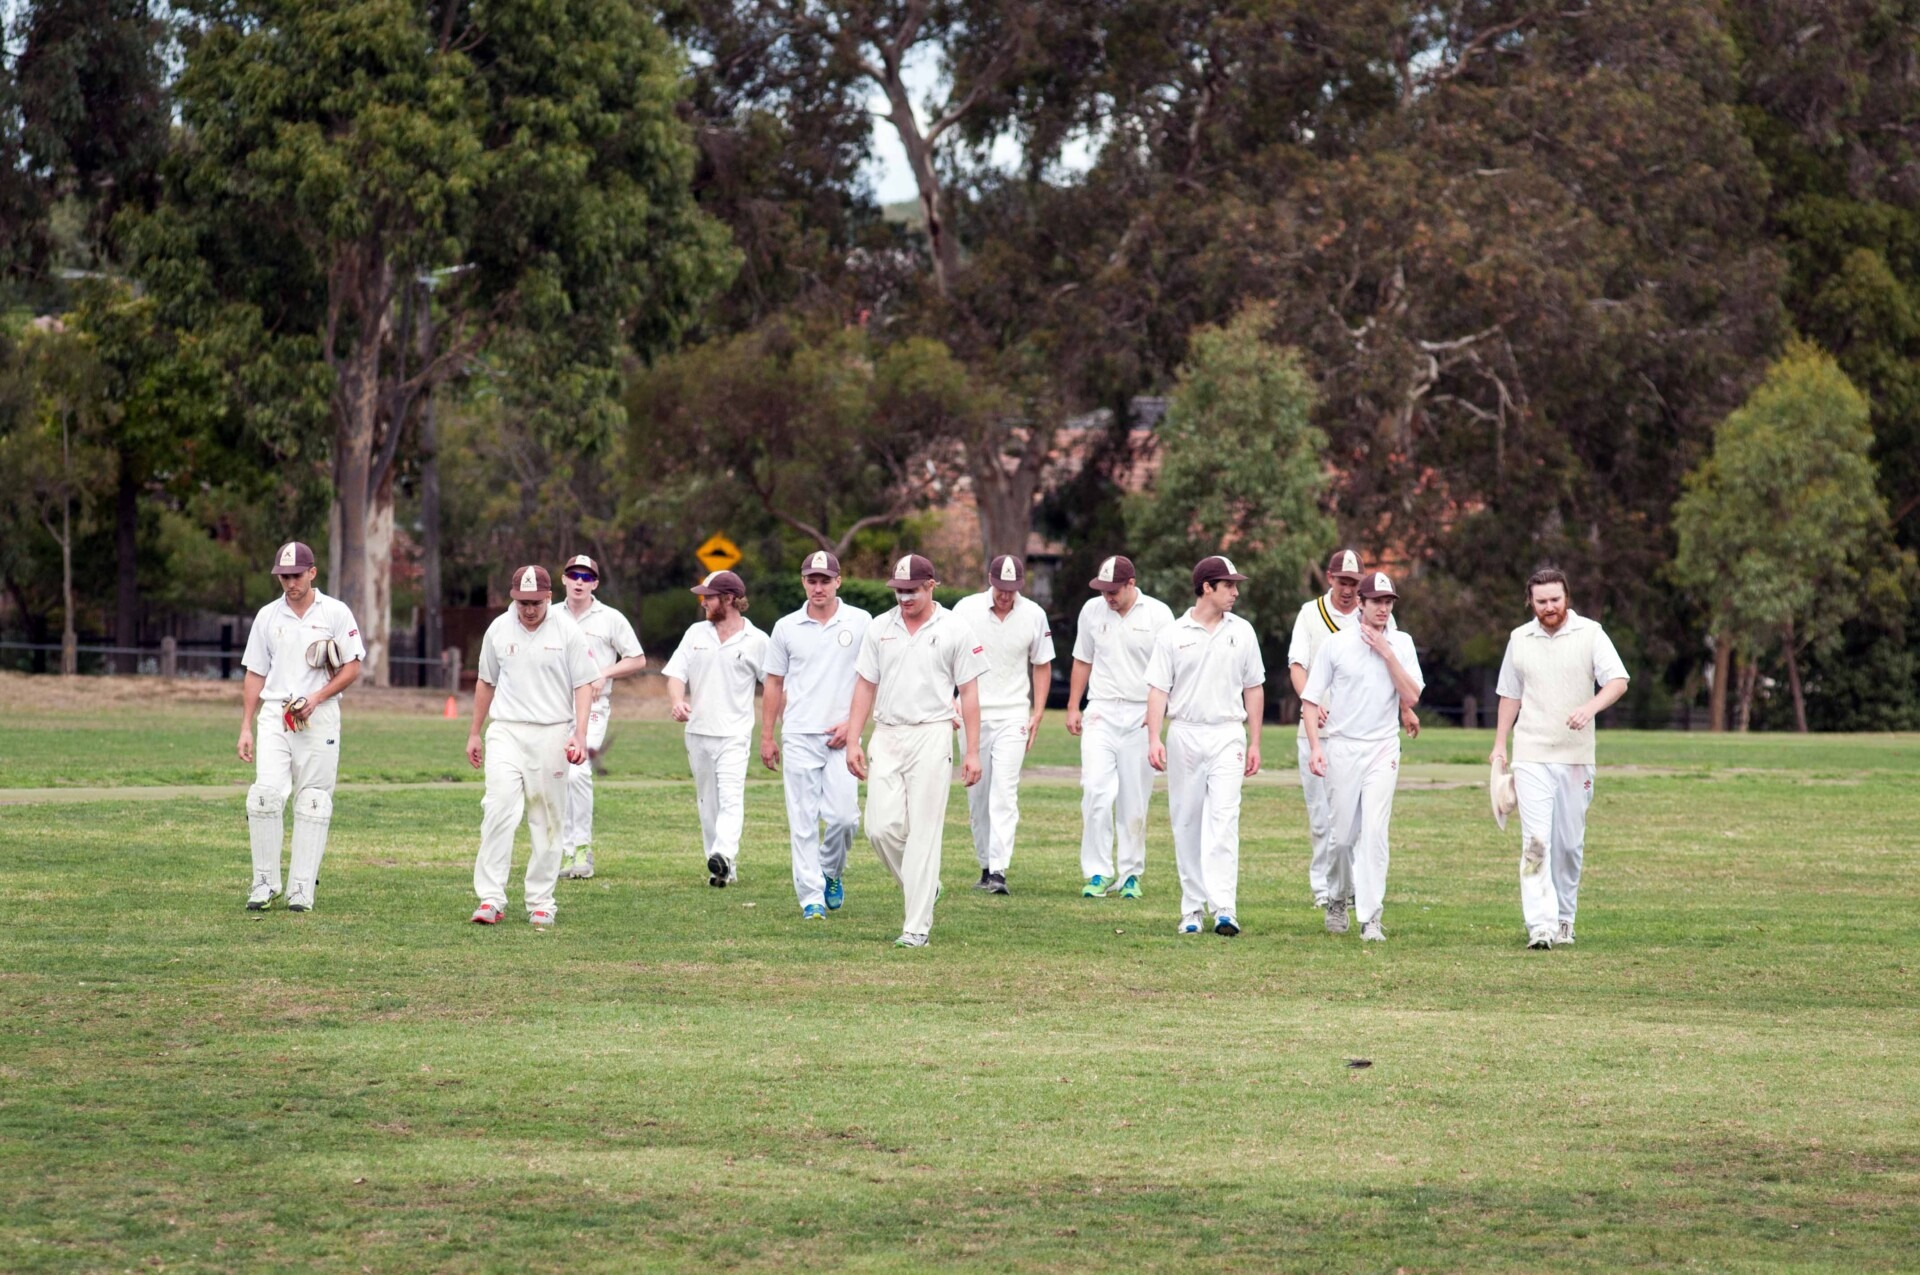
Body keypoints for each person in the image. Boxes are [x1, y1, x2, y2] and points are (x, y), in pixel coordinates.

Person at [844, 553, 988, 948]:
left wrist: (972, 751)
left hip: (932, 734)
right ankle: (924, 886)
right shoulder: (879, 628)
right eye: (899, 591)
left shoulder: (955, 628)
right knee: (879, 828)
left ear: (931, 586)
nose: (904, 598)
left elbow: (970, 692)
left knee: (924, 831)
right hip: (887, 733)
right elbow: (864, 685)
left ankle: (916, 928)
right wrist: (854, 740)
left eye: (912, 591)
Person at [1489, 565, 1630, 949]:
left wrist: (1590, 707)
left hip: (1575, 756)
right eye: (1541, 601)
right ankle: (1540, 926)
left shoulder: (1590, 633)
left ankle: (1565, 918)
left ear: (1566, 597)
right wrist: (1500, 744)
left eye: (1555, 599)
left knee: (1567, 846)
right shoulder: (1519, 638)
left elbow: (1618, 681)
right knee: (1535, 843)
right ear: (1530, 602)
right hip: (1531, 753)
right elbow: (1509, 694)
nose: (1549, 607)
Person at [1286, 548, 1417, 921]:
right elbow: (1300, 672)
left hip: (1380, 743)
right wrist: (1314, 720)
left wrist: (1404, 707)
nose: (1383, 608)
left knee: (1373, 831)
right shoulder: (1315, 619)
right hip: (1329, 737)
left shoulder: (1395, 633)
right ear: (1332, 579)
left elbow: (1405, 686)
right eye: (1342, 581)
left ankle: (1369, 909)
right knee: (1333, 829)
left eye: (1388, 602)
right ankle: (1331, 893)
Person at [236, 540, 365, 912]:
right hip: (276, 714)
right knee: (264, 796)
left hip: (319, 715)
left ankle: (301, 889)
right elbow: (255, 673)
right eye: (283, 577)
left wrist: (318, 696)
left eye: (296, 576)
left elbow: (353, 667)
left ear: (312, 573)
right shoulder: (267, 616)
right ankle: (264, 883)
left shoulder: (336, 613)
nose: (290, 583)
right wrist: (246, 726)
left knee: (313, 801)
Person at [466, 565, 597, 927]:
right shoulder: (498, 628)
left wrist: (579, 734)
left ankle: (541, 901)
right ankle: (490, 898)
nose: (528, 609)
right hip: (506, 730)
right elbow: (486, 681)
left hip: (552, 732)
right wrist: (475, 732)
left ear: (549, 598)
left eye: (535, 602)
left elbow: (584, 684)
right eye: (522, 602)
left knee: (547, 817)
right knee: (498, 811)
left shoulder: (567, 630)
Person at [1145, 555, 1266, 938]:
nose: (1235, 592)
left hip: (1228, 733)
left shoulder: (1242, 631)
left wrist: (1256, 742)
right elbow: (1158, 689)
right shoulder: (1172, 634)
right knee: (1187, 821)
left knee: (1224, 820)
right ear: (1207, 587)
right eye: (1228, 585)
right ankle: (1192, 909)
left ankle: (1225, 908)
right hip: (1185, 733)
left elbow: (1254, 688)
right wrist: (1154, 738)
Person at [761, 550, 872, 918]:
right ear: (803, 582)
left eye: (825, 580)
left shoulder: (860, 621)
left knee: (844, 818)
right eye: (812, 580)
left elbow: (872, 678)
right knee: (803, 820)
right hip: (798, 733)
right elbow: (773, 682)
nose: (819, 587)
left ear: (838, 581)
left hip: (844, 737)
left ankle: (830, 871)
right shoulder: (786, 627)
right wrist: (767, 736)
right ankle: (811, 898)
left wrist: (853, 726)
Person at [1067, 554, 1175, 899]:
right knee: (1095, 790)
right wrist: (1073, 705)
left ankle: (1130, 874)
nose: (1107, 597)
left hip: (1142, 712)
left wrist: (1158, 713)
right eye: (1103, 591)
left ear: (1131, 584)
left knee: (1134, 798)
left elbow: (1170, 670)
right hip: (1101, 709)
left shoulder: (1159, 614)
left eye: (1113, 591)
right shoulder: (1091, 611)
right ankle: (1098, 872)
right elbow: (1082, 659)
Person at [952, 554, 1055, 895]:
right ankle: (985, 865)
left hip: (1013, 714)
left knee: (1004, 792)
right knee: (977, 795)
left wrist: (1038, 711)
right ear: (989, 580)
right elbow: (946, 656)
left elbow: (1042, 663)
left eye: (1012, 589)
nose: (1005, 595)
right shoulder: (965, 610)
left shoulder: (1034, 614)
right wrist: (949, 699)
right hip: (972, 714)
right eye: (1000, 588)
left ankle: (999, 870)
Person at [662, 569, 769, 887]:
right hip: (698, 732)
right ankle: (721, 868)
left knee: (731, 796)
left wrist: (774, 729)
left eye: (708, 597)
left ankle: (724, 852)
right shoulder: (695, 633)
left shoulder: (758, 640)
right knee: (708, 803)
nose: (703, 602)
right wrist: (677, 701)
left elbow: (775, 686)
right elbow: (676, 674)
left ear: (729, 599)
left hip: (735, 734)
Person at [555, 554, 647, 881]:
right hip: (555, 706)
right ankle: (565, 850)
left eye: (586, 577)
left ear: (595, 583)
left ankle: (582, 848)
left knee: (577, 771)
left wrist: (603, 673)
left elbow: (637, 659)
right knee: (558, 775)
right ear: (564, 580)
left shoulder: (610, 618)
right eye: (573, 576)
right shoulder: (551, 615)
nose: (579, 582)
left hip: (594, 707)